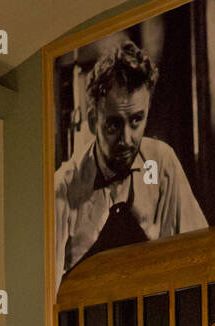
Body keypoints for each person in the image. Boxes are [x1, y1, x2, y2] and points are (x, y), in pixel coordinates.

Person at [53, 40, 207, 290]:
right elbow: (47, 298)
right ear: (93, 121)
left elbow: (199, 256)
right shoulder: (63, 189)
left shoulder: (161, 164)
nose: (126, 139)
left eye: (136, 120)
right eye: (114, 124)